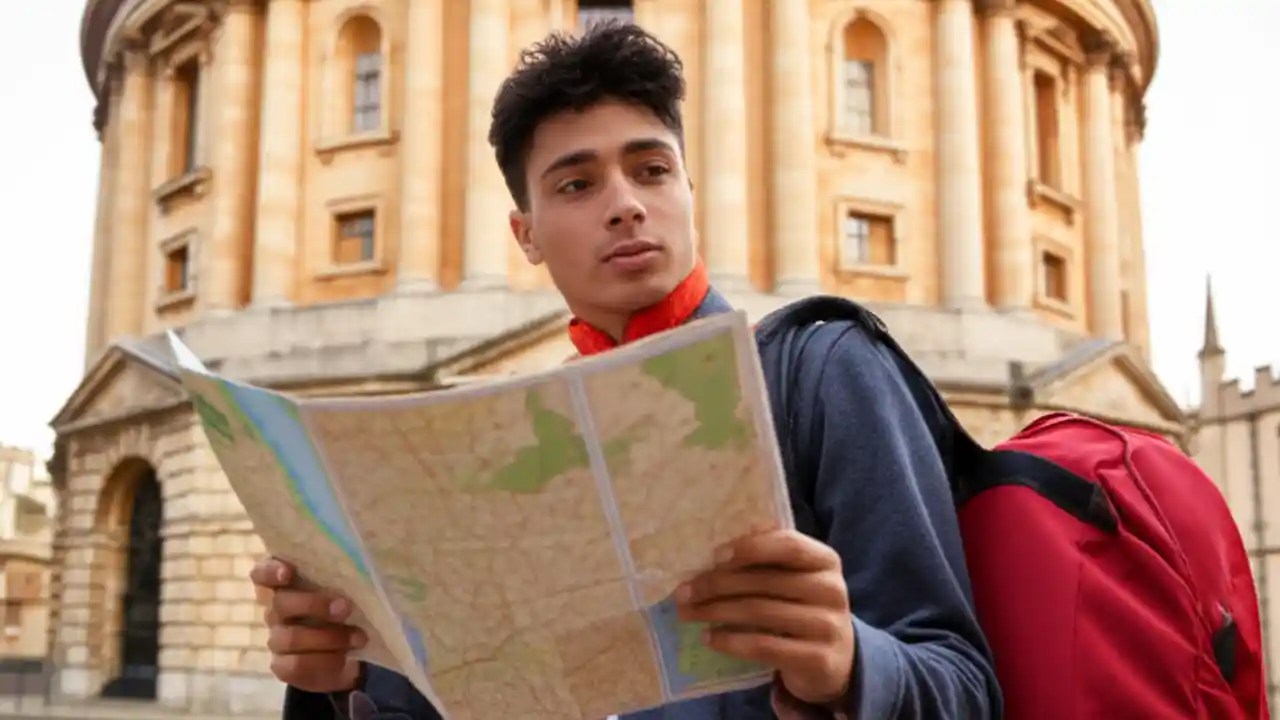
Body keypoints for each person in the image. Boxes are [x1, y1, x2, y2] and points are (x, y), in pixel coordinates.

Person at [251, 22, 1002, 720]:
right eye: (577, 184)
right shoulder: (514, 449)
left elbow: (966, 686)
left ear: (689, 194)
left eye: (651, 170)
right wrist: (337, 676)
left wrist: (850, 662)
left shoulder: (826, 369)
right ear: (526, 235)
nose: (627, 206)